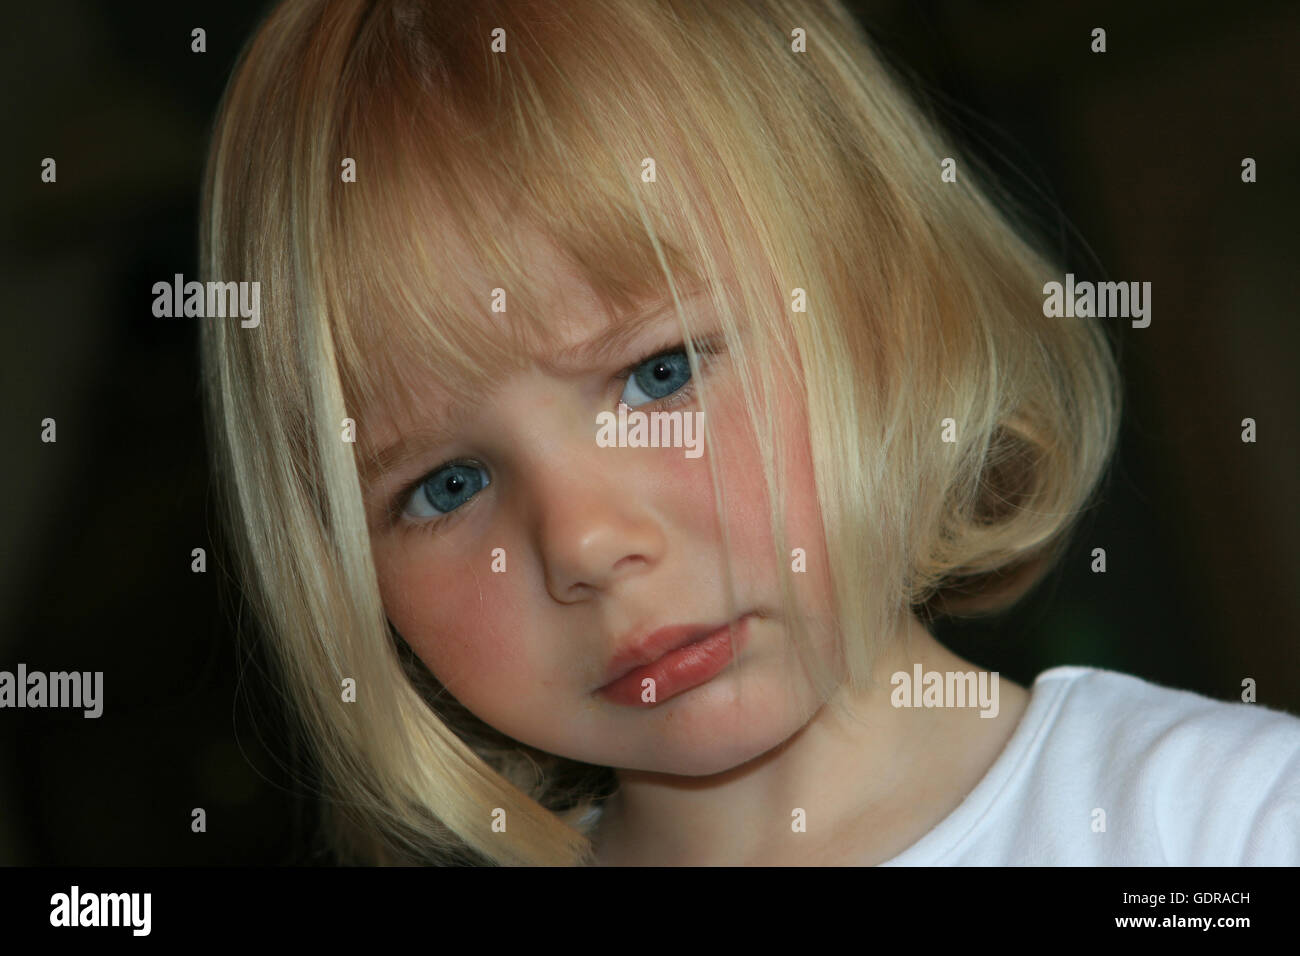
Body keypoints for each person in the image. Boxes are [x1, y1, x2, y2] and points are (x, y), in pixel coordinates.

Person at [198, 0, 1300, 865]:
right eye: (446, 485)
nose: (582, 541)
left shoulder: (1230, 823)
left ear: (883, 314)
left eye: (658, 372)